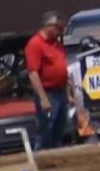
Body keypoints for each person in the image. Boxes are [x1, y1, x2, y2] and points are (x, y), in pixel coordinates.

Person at [26, 11, 72, 150]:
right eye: (59, 28)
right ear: (49, 26)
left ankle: (55, 155)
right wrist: (43, 98)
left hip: (60, 92)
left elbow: (62, 70)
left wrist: (68, 94)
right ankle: (41, 157)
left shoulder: (57, 45)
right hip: (48, 92)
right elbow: (33, 73)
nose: (61, 32)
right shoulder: (35, 44)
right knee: (46, 130)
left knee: (59, 128)